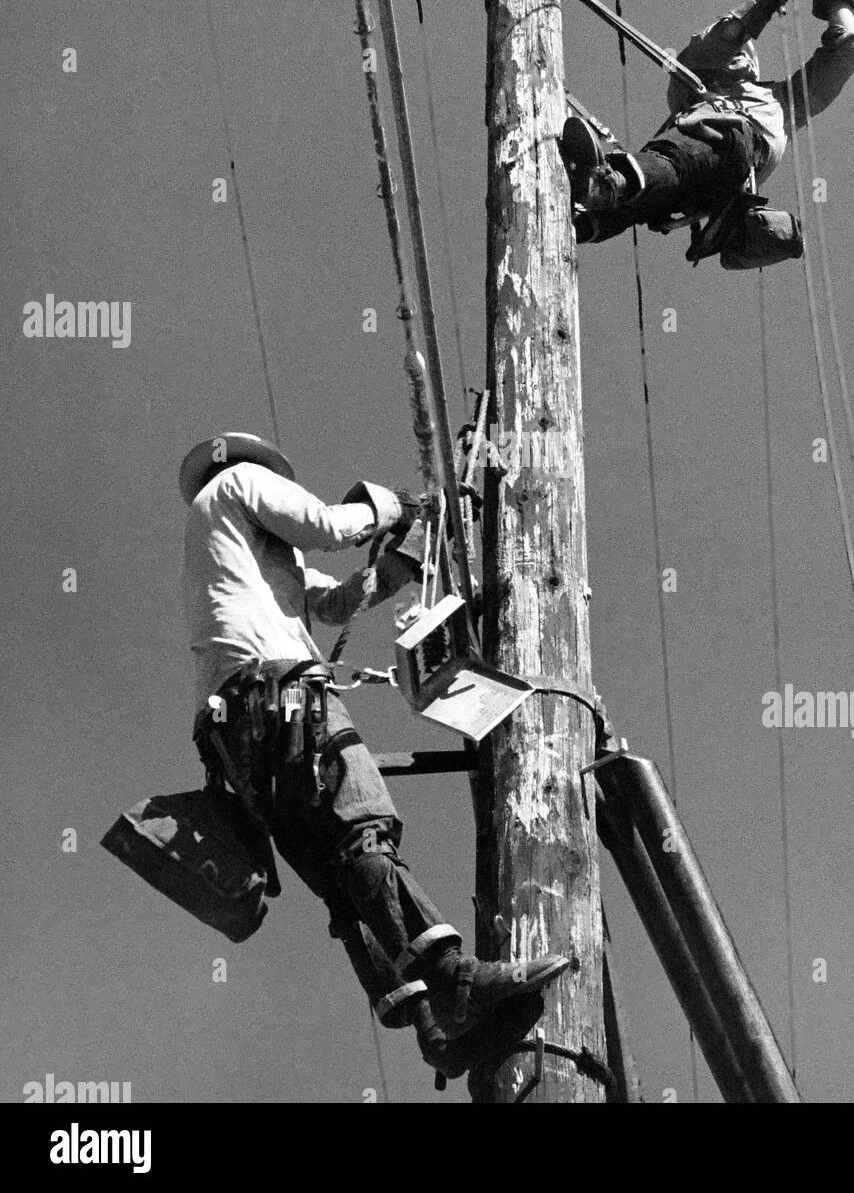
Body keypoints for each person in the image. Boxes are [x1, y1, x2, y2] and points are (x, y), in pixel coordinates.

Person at [180, 431, 568, 1081]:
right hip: (283, 697)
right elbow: (331, 524)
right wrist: (399, 507)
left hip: (239, 739)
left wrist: (396, 568)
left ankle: (434, 1026)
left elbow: (334, 602)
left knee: (341, 876)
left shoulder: (247, 557)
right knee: (363, 831)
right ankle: (457, 979)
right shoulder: (235, 485)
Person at [562, 0, 854, 267]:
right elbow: (719, 41)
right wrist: (762, 7)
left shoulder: (779, 102)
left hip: (730, 165)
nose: (739, 57)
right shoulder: (690, 84)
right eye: (735, 52)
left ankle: (603, 185)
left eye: (745, 54)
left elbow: (846, 48)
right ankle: (578, 221)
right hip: (704, 176)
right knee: (653, 190)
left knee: (672, 163)